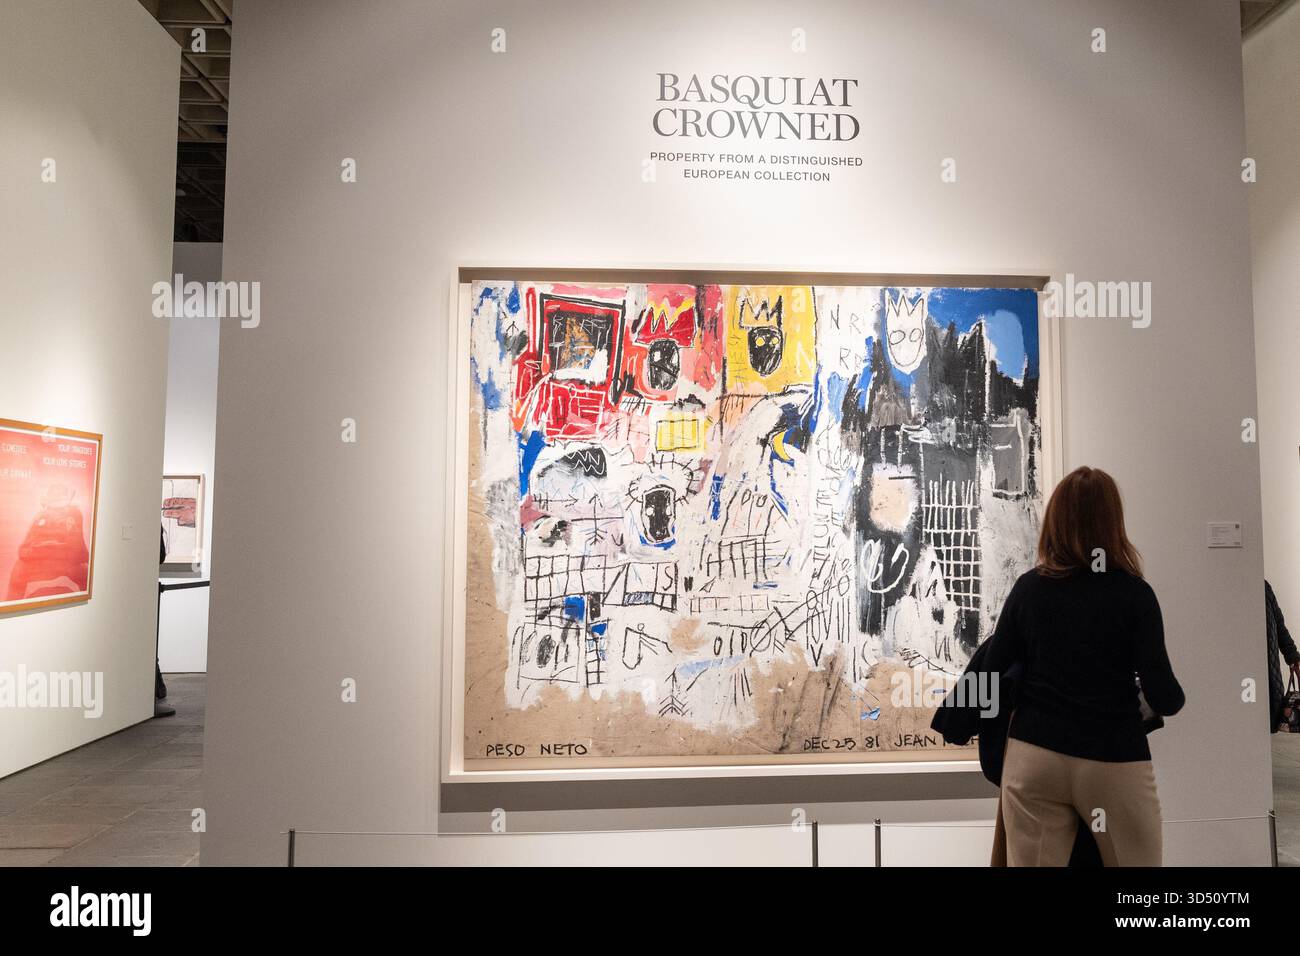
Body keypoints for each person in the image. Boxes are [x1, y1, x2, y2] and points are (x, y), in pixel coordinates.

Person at [983, 466, 1184, 866]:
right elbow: (1167, 696)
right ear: (1113, 522)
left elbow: (990, 672)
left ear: (1055, 520)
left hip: (1034, 754)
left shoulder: (1029, 588)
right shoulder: (1134, 595)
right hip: (1112, 755)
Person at [1266, 581, 1299, 731]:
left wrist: (1292, 656)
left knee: (1270, 717)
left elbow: (1279, 625)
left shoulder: (1264, 587)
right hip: (1246, 668)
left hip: (1269, 666)